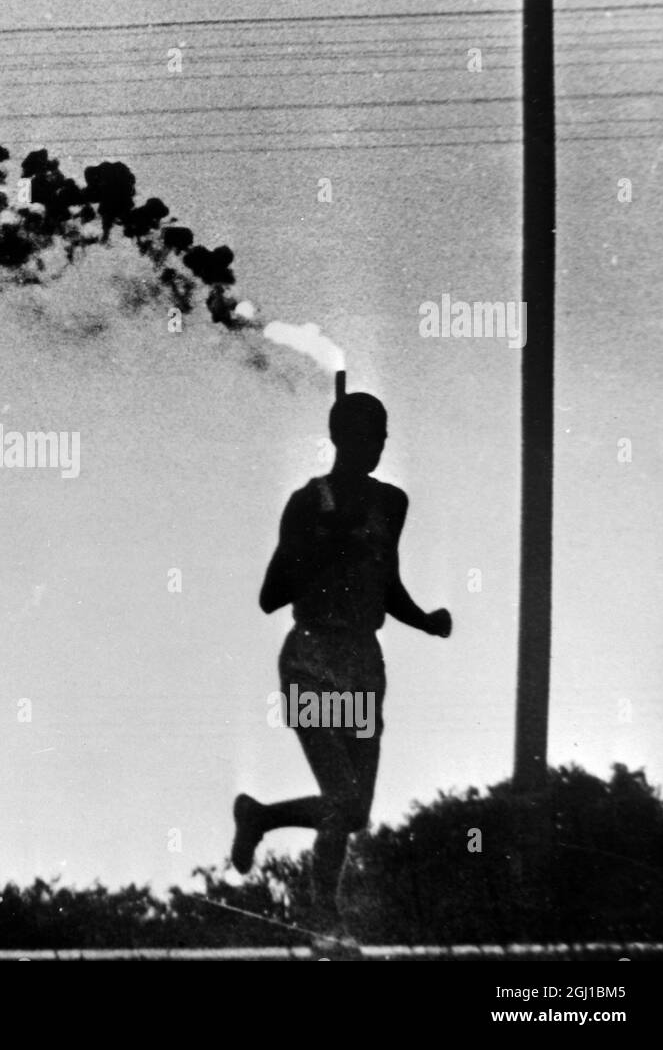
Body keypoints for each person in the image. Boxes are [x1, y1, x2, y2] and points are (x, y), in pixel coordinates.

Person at [232, 390, 451, 948]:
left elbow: (388, 584)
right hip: (312, 660)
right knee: (342, 799)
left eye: (381, 435)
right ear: (338, 438)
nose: (375, 446)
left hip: (361, 663)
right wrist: (321, 545)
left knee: (353, 813)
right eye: (363, 436)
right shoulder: (308, 504)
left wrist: (423, 620)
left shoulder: (392, 504)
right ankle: (322, 918)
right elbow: (269, 595)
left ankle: (260, 819)